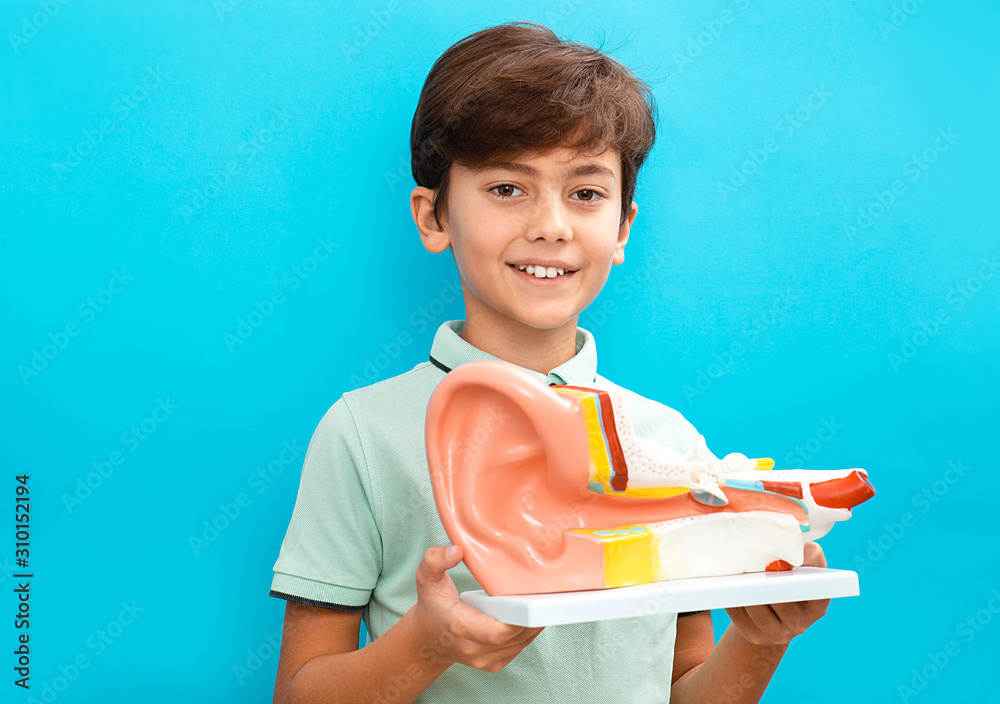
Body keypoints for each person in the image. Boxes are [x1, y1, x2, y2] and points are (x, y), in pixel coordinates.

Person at [268, 21, 830, 703]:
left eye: (586, 193)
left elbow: (683, 687)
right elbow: (301, 692)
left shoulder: (672, 445)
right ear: (434, 217)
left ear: (622, 226)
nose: (551, 225)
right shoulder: (363, 434)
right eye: (508, 189)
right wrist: (429, 643)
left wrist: (759, 640)